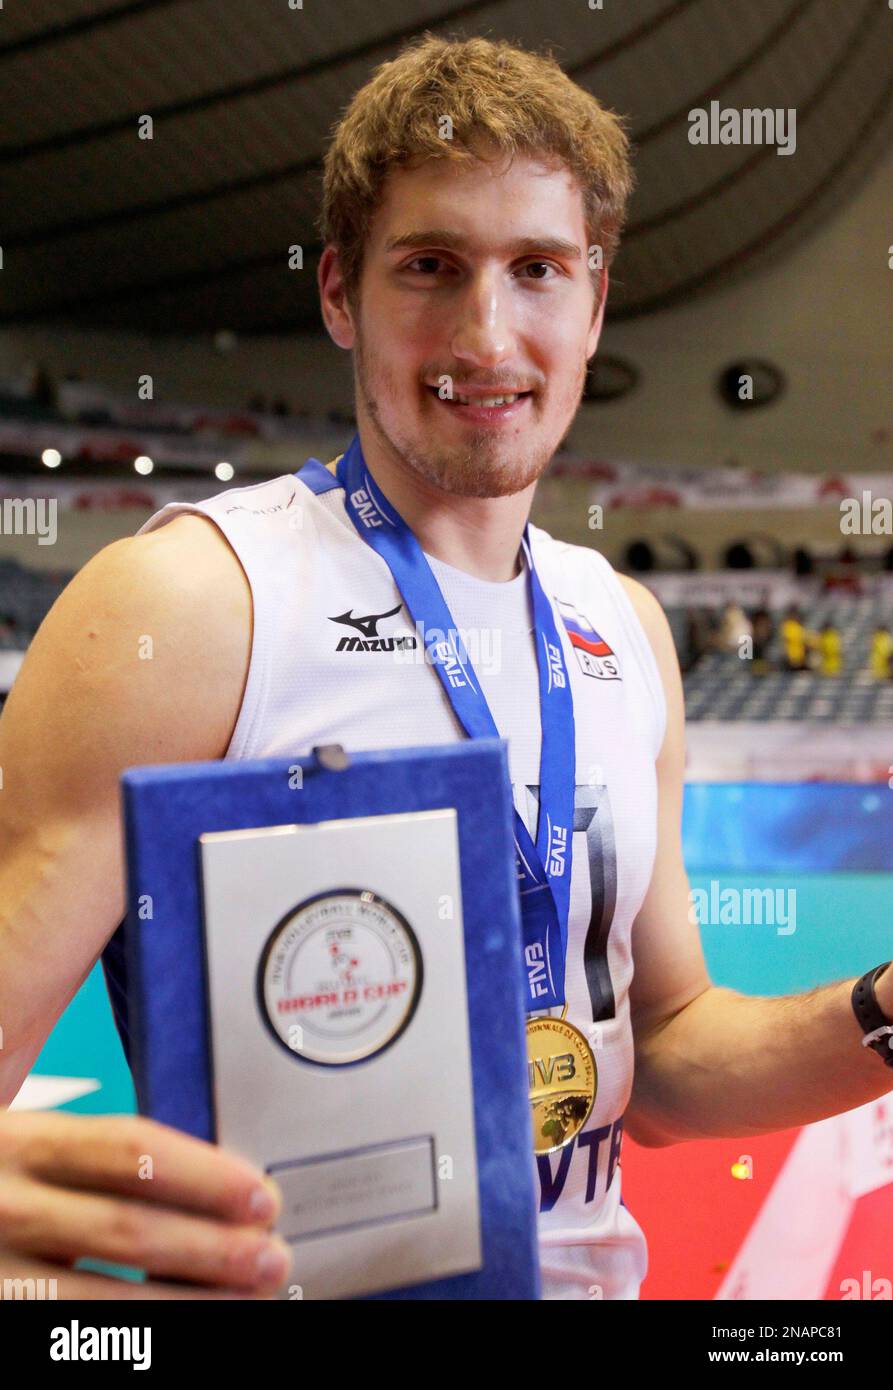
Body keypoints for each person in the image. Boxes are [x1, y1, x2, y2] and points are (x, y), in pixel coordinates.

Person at [1, 34, 892, 1302]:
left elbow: (671, 1057)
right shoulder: (193, 602)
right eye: (429, 266)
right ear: (338, 296)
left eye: (534, 269)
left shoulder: (623, 627)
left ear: (592, 302)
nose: (485, 332)